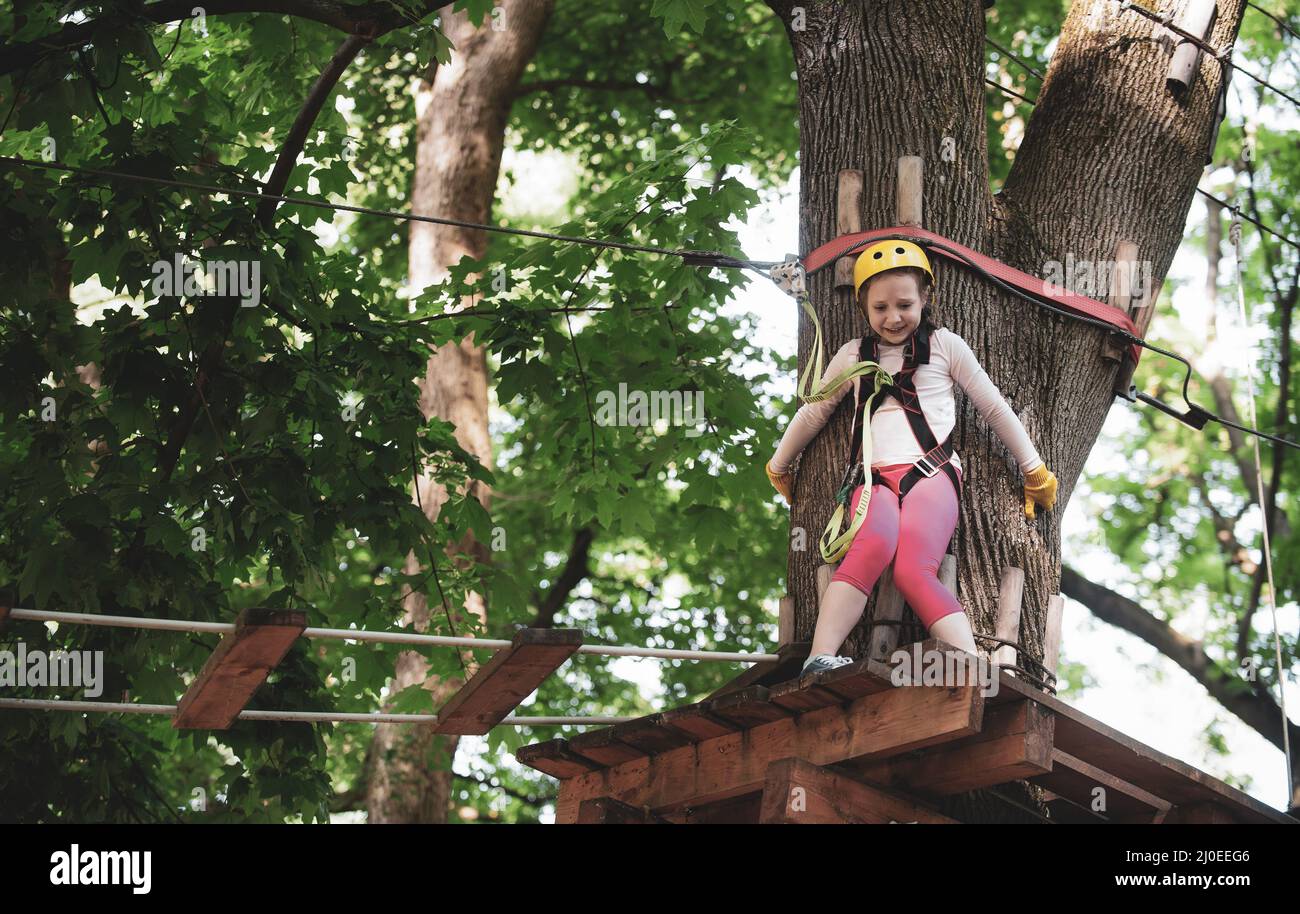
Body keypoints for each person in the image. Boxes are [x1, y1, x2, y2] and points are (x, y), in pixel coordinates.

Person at [765, 239, 1059, 675]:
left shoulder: (945, 346)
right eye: (880, 307)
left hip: (931, 473)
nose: (893, 317)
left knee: (913, 570)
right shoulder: (853, 355)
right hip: (872, 481)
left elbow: (992, 406)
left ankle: (970, 663)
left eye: (905, 304)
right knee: (871, 545)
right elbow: (816, 411)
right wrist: (780, 462)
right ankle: (820, 657)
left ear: (925, 298)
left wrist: (1033, 467)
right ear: (864, 306)